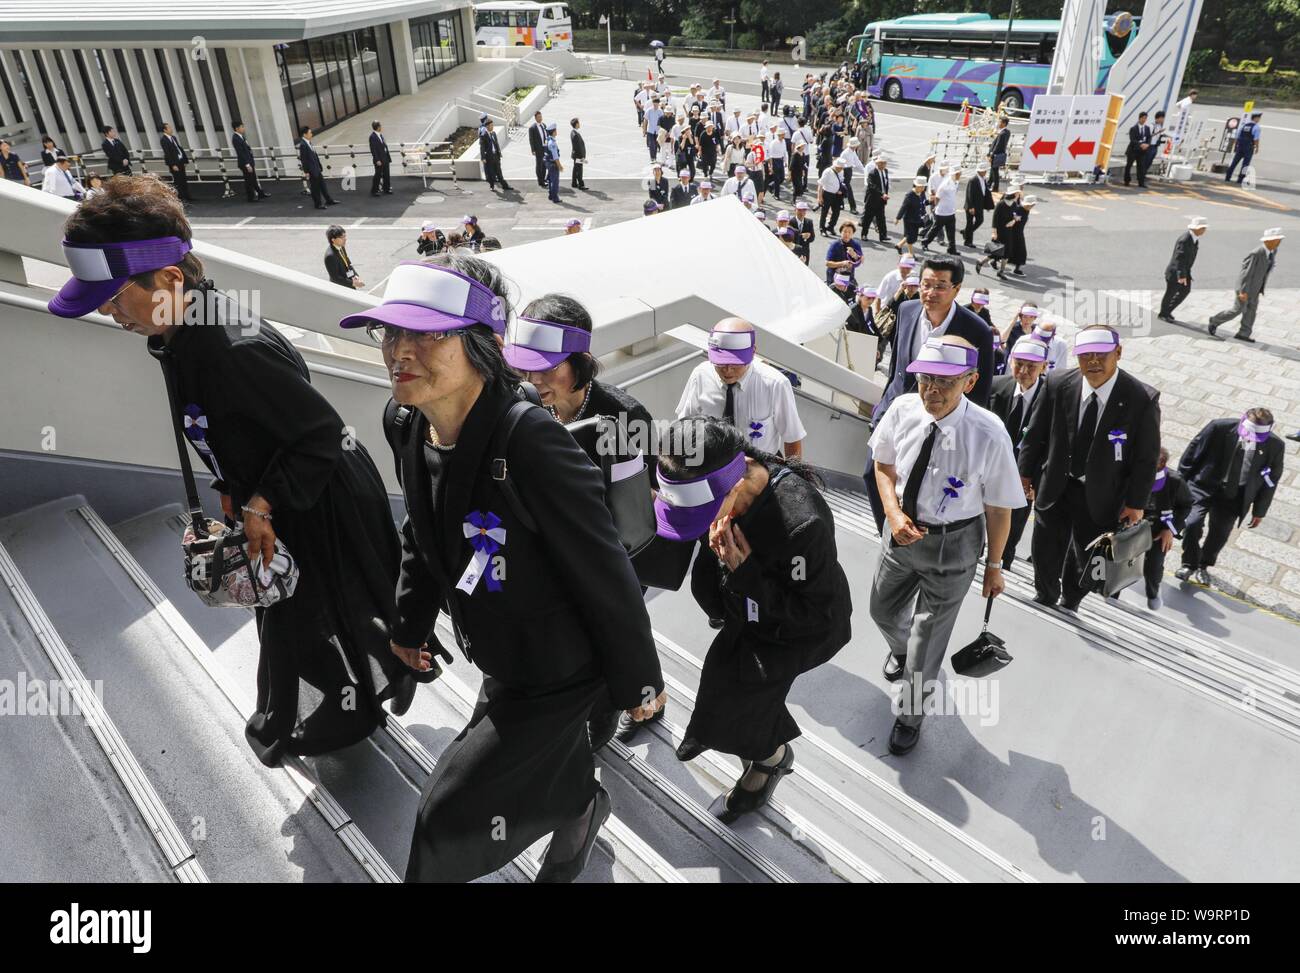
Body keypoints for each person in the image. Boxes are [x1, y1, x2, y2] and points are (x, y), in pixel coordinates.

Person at [52, 175, 418, 768]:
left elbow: (319, 433)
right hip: (285, 492)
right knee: (298, 615)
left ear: (170, 280)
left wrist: (259, 505)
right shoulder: (181, 328)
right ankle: (354, 696)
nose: (107, 310)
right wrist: (233, 490)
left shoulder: (228, 343)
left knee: (321, 613)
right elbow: (237, 429)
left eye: (115, 296)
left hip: (321, 497)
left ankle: (364, 699)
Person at [345, 255, 665, 883]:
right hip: (497, 646)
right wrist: (409, 624)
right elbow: (421, 528)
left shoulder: (532, 443)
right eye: (390, 332)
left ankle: (571, 810)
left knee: (445, 811)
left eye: (429, 333)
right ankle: (581, 806)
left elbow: (606, 574)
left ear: (487, 346)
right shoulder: (407, 422)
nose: (399, 352)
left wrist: (640, 685)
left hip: (559, 667)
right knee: (549, 759)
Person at [650, 415, 850, 816]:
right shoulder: (728, 488)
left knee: (742, 698)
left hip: (797, 629)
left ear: (733, 483)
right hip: (747, 607)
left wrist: (745, 574)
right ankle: (757, 749)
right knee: (728, 686)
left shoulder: (801, 525)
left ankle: (770, 759)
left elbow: (814, 613)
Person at [502, 293, 658, 750]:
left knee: (606, 640)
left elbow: (643, 501)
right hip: (547, 556)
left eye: (548, 368)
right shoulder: (522, 403)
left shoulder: (624, 416)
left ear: (582, 363)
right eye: (523, 368)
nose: (534, 381)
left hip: (607, 558)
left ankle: (607, 714)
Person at [869, 334, 1023, 756]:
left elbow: (998, 507)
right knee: (881, 610)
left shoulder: (990, 434)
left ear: (970, 382)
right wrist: (894, 514)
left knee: (928, 638)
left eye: (945, 382)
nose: (932, 392)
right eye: (925, 380)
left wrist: (995, 567)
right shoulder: (903, 410)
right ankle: (905, 652)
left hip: (953, 545)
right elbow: (883, 467)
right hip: (899, 535)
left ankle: (910, 716)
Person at [1016, 325, 1162, 611]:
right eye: (1085, 355)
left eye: (1101, 355)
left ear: (1118, 353)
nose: (1093, 362)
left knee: (1086, 552)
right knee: (1045, 544)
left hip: (1103, 490)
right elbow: (1036, 431)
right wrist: (1024, 473)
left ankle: (1071, 600)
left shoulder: (1141, 399)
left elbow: (1146, 457)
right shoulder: (1058, 383)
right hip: (1056, 480)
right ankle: (1044, 594)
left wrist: (1136, 503)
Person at [864, 256, 996, 531]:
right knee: (872, 473)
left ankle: (914, 538)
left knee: (922, 489)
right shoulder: (907, 310)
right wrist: (882, 411)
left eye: (940, 286)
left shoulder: (976, 330)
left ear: (957, 289)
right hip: (897, 414)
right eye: (926, 284)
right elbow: (897, 368)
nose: (930, 293)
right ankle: (889, 532)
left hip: (941, 422)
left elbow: (979, 392)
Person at [1175, 409, 1284, 587]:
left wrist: (1259, 511)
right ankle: (1189, 563)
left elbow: (1271, 480)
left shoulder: (1275, 446)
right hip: (1204, 484)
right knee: (1192, 523)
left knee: (1220, 533)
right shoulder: (1219, 427)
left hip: (1234, 494)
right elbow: (1192, 452)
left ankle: (1204, 565)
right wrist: (1179, 485)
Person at [676, 318, 806, 459]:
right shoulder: (700, 375)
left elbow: (792, 437)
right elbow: (686, 425)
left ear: (753, 353)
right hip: (715, 464)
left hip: (760, 466)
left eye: (735, 363)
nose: (728, 370)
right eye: (720, 363)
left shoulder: (775, 384)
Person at [989, 336, 1050, 569]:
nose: (1023, 371)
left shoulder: (1052, 397)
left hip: (1025, 475)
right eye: (1019, 363)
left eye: (1031, 366)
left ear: (1044, 367)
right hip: (992, 466)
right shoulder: (996, 386)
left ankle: (1003, 563)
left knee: (1014, 523)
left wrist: (1036, 479)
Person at [1139, 449, 1193, 610]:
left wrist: (1170, 530)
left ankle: (1153, 593)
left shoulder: (1175, 482)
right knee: (1122, 561)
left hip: (1159, 528)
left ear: (1162, 464)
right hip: (1133, 524)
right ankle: (1113, 593)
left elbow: (1186, 506)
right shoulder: (1135, 472)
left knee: (1153, 566)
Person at [1208, 227, 1282, 343]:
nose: (1279, 242)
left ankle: (1244, 333)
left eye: (1279, 240)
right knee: (1237, 310)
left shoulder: (1273, 251)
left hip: (1256, 288)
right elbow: (1245, 274)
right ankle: (1215, 320)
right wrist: (1242, 291)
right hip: (1245, 288)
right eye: (1276, 240)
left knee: (1251, 310)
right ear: (1267, 241)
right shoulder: (1256, 253)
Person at [1158, 217, 1207, 323]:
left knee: (1185, 291)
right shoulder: (1185, 239)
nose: (1204, 231)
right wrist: (1181, 275)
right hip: (1176, 272)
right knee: (1170, 293)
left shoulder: (1194, 239)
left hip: (1185, 271)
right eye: (1203, 228)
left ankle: (1167, 311)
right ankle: (1163, 314)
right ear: (1196, 228)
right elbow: (1178, 258)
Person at [976, 186, 1020, 279]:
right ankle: (981, 262)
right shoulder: (1000, 205)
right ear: (1013, 194)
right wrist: (994, 233)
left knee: (1007, 252)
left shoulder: (1014, 204)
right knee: (997, 252)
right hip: (1000, 232)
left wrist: (1013, 221)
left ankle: (1001, 271)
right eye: (1017, 193)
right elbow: (994, 220)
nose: (1018, 195)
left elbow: (1016, 215)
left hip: (1009, 231)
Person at [921, 166, 960, 255]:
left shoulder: (955, 182)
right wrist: (935, 207)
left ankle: (951, 249)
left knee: (951, 232)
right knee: (935, 230)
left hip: (951, 211)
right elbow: (938, 197)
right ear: (955, 174)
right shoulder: (945, 184)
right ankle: (925, 242)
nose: (960, 175)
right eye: (959, 173)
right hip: (942, 213)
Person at [231, 122, 270, 202]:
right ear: (236, 128)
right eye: (242, 127)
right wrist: (247, 165)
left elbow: (247, 149)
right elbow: (240, 153)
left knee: (253, 179)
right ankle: (251, 197)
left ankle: (260, 193)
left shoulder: (241, 137)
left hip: (249, 161)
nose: (243, 128)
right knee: (249, 180)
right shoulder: (235, 138)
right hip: (245, 163)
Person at [298, 127, 335, 209]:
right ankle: (317, 204)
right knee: (315, 188)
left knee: (323, 185)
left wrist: (319, 165)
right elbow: (304, 159)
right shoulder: (303, 145)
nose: (311, 134)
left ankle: (329, 200)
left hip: (316, 168)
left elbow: (314, 155)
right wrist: (306, 171)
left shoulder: (309, 143)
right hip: (311, 170)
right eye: (310, 133)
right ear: (305, 134)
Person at [894, 176, 928, 258]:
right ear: (916, 186)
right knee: (910, 238)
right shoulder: (909, 195)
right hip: (909, 220)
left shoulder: (922, 193)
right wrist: (898, 218)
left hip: (917, 218)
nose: (923, 188)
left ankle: (899, 245)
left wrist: (929, 202)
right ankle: (911, 254)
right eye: (921, 187)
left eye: (924, 187)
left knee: (911, 236)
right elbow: (903, 207)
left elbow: (923, 203)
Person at [1225, 112, 1262, 184]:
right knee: (1245, 164)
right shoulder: (1256, 127)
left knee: (1234, 162)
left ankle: (1228, 177)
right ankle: (1240, 179)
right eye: (1259, 118)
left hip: (1240, 146)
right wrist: (1256, 147)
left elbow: (1237, 136)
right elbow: (1256, 139)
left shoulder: (1244, 125)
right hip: (1249, 147)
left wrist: (1236, 145)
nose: (1259, 119)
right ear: (1256, 118)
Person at [963, 162, 993, 247]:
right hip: (971, 206)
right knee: (969, 223)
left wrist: (987, 205)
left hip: (979, 205)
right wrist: (971, 207)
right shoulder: (973, 180)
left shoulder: (983, 179)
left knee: (980, 220)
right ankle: (968, 241)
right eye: (984, 171)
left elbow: (985, 192)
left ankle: (966, 232)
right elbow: (969, 194)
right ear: (980, 171)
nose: (986, 172)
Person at [324, 225, 364, 289]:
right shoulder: (330, 256)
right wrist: (353, 283)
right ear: (333, 240)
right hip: (340, 289)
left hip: (349, 283)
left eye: (345, 236)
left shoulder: (341, 246)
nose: (345, 239)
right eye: (342, 237)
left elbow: (347, 263)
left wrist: (356, 276)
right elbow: (335, 278)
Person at [825, 220, 864, 286]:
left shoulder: (856, 245)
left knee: (850, 294)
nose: (847, 234)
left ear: (853, 234)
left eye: (849, 232)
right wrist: (842, 263)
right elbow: (827, 263)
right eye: (845, 231)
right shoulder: (835, 245)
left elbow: (860, 261)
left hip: (849, 277)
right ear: (841, 232)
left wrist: (855, 256)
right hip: (834, 277)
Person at [160, 125, 192, 202]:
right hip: (174, 163)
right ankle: (180, 197)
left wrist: (184, 160)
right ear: (165, 130)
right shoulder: (163, 140)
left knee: (183, 179)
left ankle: (187, 196)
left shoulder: (173, 138)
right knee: (178, 180)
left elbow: (178, 148)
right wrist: (173, 164)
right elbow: (168, 153)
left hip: (180, 161)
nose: (171, 129)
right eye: (169, 128)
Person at [862, 156, 891, 244]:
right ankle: (864, 234)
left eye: (884, 163)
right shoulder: (872, 173)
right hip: (872, 199)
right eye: (881, 163)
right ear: (877, 164)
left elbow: (885, 184)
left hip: (881, 200)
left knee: (881, 218)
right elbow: (872, 186)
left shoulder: (885, 171)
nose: (883, 165)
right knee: (868, 217)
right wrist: (882, 194)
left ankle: (883, 235)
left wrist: (885, 194)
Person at [817, 159, 847, 237]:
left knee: (836, 212)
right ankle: (822, 229)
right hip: (827, 194)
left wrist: (840, 190)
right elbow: (820, 184)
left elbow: (841, 181)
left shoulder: (841, 171)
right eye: (840, 168)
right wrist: (819, 197)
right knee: (824, 212)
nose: (841, 169)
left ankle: (830, 227)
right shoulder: (828, 172)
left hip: (837, 195)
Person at [479, 118, 510, 192]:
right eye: (491, 125)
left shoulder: (494, 133)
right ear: (487, 126)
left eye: (492, 125)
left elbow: (496, 144)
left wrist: (499, 153)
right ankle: (491, 185)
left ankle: (505, 186)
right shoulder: (483, 135)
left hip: (495, 155)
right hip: (489, 157)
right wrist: (483, 157)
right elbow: (482, 147)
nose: (492, 126)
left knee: (499, 172)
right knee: (491, 173)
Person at [1124, 111, 1153, 188]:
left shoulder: (1147, 128)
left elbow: (1149, 137)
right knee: (1129, 165)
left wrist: (1147, 144)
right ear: (1139, 118)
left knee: (1141, 167)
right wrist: (1141, 144)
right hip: (1133, 150)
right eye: (1143, 118)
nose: (1144, 120)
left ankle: (1141, 182)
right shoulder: (1133, 128)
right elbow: (1132, 139)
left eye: (1145, 118)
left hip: (1142, 151)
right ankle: (1127, 180)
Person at [369, 120, 392, 196]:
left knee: (386, 174)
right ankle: (374, 190)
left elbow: (384, 146)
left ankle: (387, 188)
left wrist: (388, 157)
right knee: (378, 175)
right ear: (378, 127)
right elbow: (373, 149)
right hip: (379, 160)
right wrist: (377, 160)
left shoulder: (380, 135)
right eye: (380, 126)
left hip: (385, 158)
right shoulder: (372, 137)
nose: (381, 127)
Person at [988, 116, 1010, 192]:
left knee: (994, 171)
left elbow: (997, 145)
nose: (998, 123)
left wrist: (991, 155)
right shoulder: (1007, 132)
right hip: (1001, 154)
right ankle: (989, 183)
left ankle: (995, 187)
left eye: (1000, 122)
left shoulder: (1002, 134)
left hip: (996, 155)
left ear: (1004, 123)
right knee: (993, 170)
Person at [544, 121, 562, 204]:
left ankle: (551, 195)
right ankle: (555, 198)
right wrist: (560, 166)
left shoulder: (548, 140)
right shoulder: (552, 143)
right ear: (554, 131)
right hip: (553, 164)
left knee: (551, 180)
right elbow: (555, 157)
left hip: (548, 163)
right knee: (555, 182)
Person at [528, 111, 547, 186]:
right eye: (538, 117)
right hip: (538, 149)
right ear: (535, 118)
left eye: (541, 116)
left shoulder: (544, 125)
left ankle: (543, 178)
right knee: (539, 165)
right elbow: (531, 139)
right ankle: (540, 181)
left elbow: (547, 136)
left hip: (545, 148)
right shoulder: (532, 128)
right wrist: (533, 150)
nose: (540, 118)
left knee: (544, 164)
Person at [569, 117, 588, 190]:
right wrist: (582, 157)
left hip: (575, 155)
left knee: (575, 169)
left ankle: (574, 183)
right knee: (579, 170)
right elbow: (578, 147)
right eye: (578, 123)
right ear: (576, 124)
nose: (579, 124)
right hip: (579, 156)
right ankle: (581, 184)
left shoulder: (573, 132)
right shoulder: (575, 135)